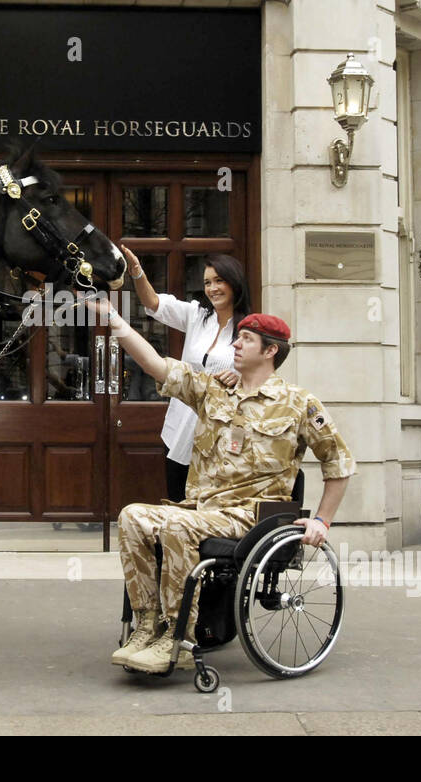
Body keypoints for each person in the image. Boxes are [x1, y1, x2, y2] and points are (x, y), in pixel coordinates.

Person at [85, 297, 356, 675]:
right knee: (133, 517)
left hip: (251, 518)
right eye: (238, 338)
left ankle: (177, 637)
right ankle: (148, 625)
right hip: (202, 509)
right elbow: (158, 366)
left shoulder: (298, 404)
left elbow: (339, 463)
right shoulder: (214, 390)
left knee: (178, 526)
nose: (235, 344)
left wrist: (322, 522)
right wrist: (113, 319)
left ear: (271, 350)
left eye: (245, 339)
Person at [119, 247, 250, 502]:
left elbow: (267, 372)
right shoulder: (197, 316)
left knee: (209, 507)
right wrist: (137, 272)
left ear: (234, 282)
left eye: (219, 281)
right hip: (180, 428)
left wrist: (242, 379)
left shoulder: (250, 328)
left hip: (219, 436)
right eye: (207, 283)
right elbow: (153, 303)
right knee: (178, 501)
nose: (212, 289)